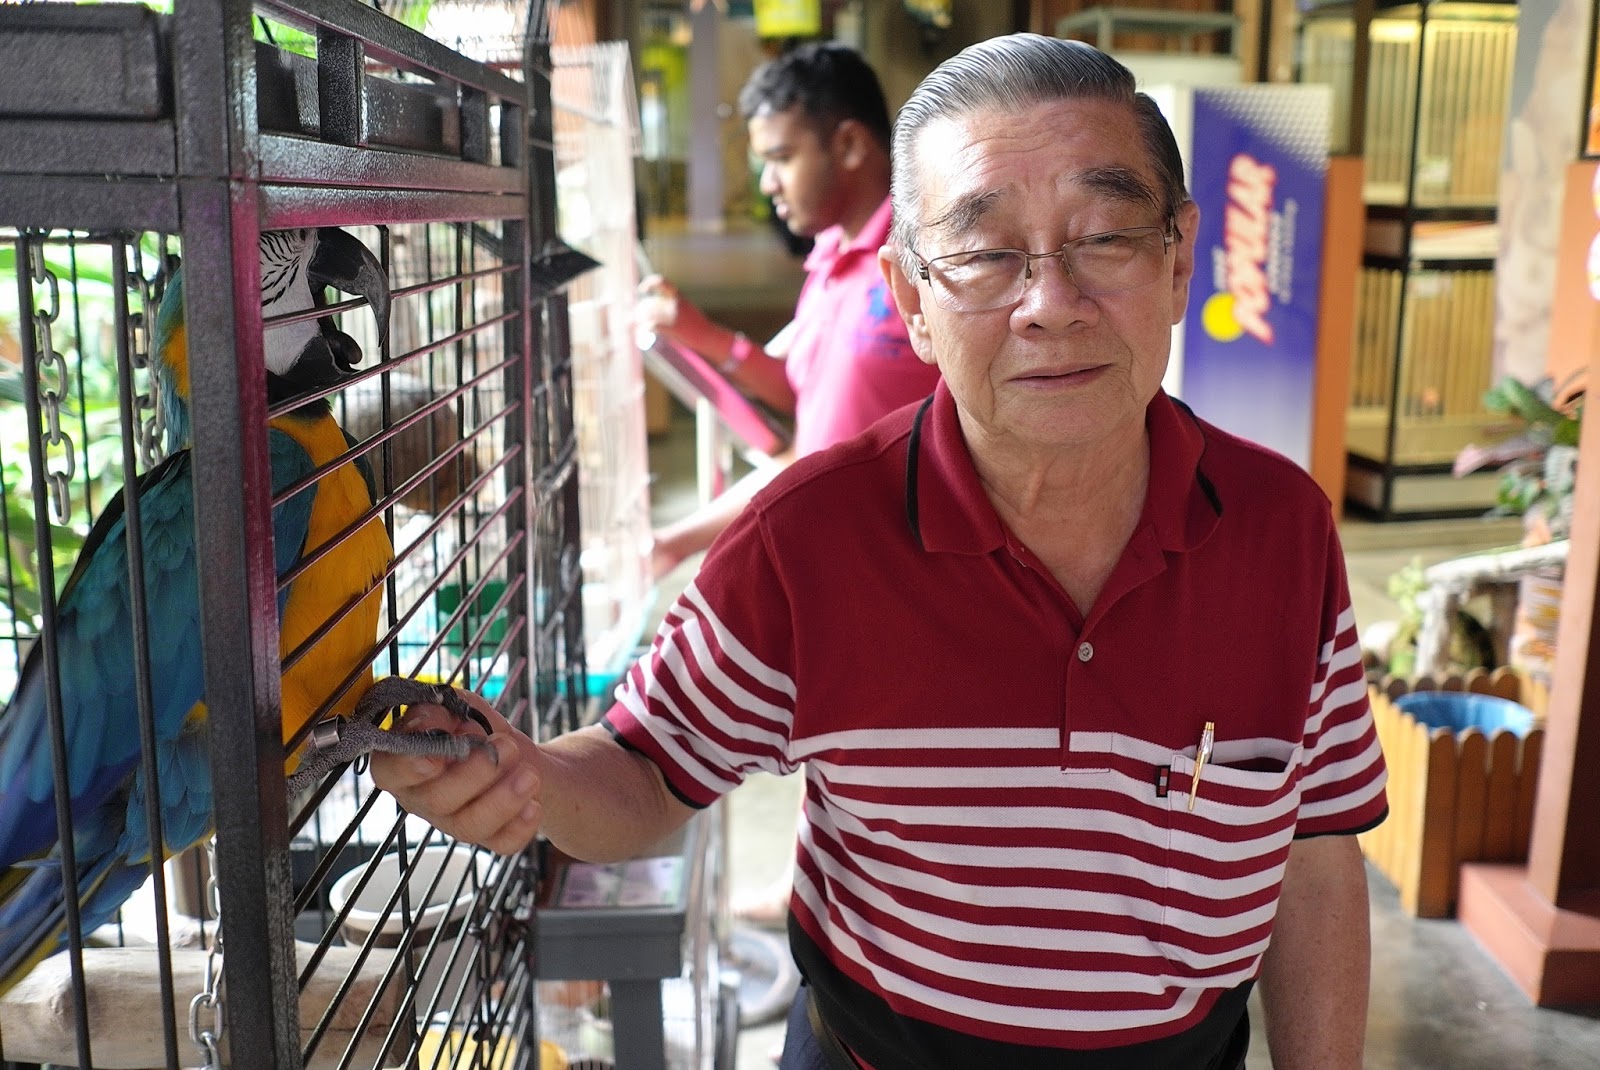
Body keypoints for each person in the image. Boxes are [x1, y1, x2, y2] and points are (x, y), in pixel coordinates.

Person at [374, 33, 1388, 1070]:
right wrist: (528, 779)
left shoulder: (1281, 529)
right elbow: (646, 769)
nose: (1047, 300)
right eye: (988, 252)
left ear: (1177, 260)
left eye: (1105, 236)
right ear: (909, 298)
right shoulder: (806, 540)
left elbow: (1311, 851)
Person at [640, 42, 942, 578]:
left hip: (903, 576)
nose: (766, 184)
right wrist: (703, 335)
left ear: (849, 144)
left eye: (781, 159)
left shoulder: (930, 261)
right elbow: (813, 416)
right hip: (833, 558)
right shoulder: (831, 256)